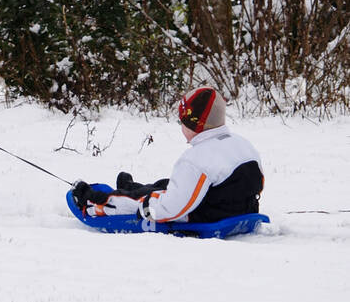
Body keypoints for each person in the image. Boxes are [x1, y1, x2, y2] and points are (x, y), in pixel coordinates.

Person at [72, 87, 264, 223]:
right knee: (167, 184)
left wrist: (145, 208)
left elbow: (170, 208)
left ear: (193, 124)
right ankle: (131, 187)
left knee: (145, 199)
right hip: (237, 209)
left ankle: (93, 199)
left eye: (182, 122)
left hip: (202, 214)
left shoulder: (196, 159)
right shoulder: (242, 145)